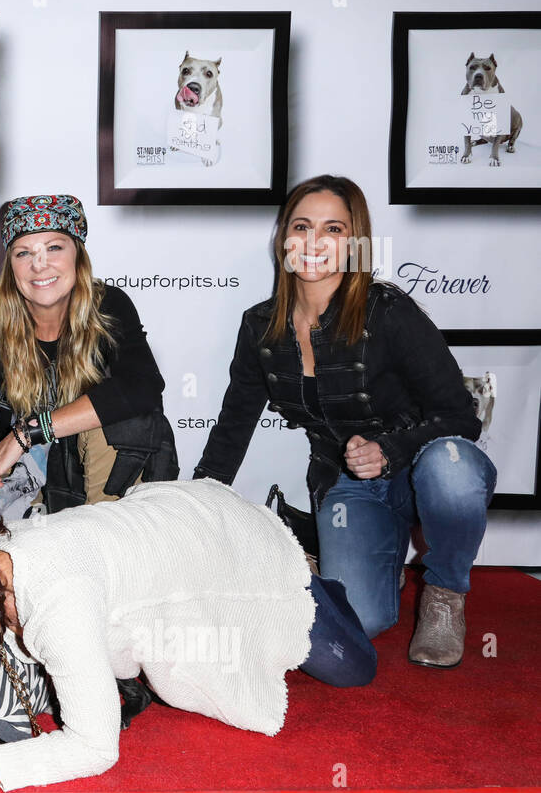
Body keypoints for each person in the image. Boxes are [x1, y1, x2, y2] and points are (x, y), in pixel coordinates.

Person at [0, 481, 376, 793]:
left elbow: (94, 748)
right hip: (156, 552)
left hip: (229, 551)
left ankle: (311, 574)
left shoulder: (55, 599)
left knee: (353, 665)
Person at [194, 175, 495, 668]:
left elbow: (461, 417)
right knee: (363, 618)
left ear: (355, 244)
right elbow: (235, 421)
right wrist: (199, 500)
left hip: (421, 466)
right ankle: (384, 563)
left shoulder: (389, 311)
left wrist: (391, 450)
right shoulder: (260, 326)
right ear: (282, 238)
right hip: (348, 486)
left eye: (333, 229)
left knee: (452, 468)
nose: (314, 243)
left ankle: (444, 594)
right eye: (301, 226)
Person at [0, 194, 177, 521]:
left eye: (54, 247)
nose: (39, 264)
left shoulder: (108, 307)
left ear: (78, 254)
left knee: (125, 421)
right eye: (23, 252)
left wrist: (29, 432)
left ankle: (112, 548)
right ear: (9, 264)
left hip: (99, 485)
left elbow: (144, 387)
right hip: (20, 486)